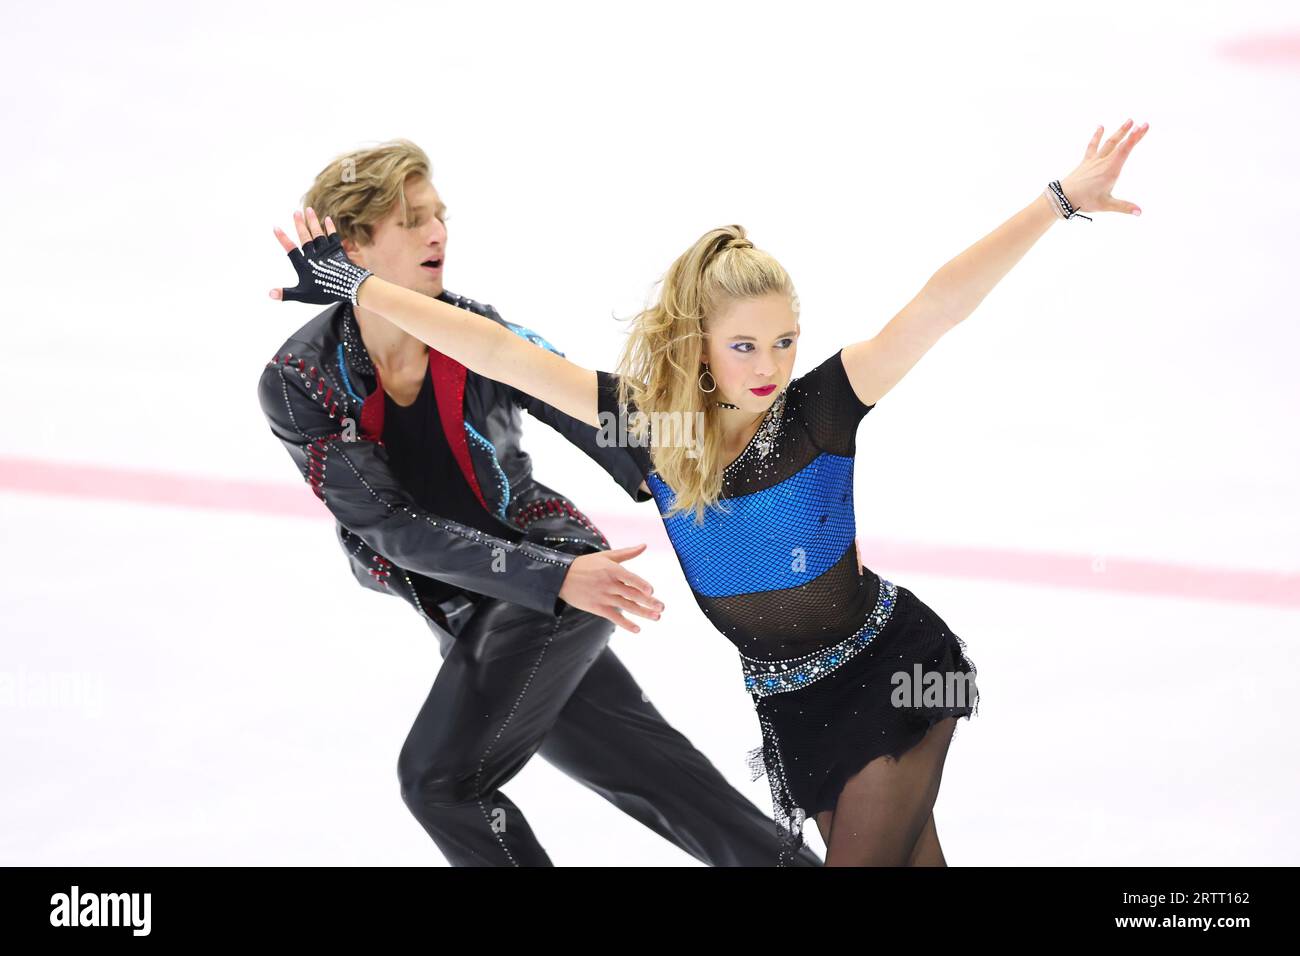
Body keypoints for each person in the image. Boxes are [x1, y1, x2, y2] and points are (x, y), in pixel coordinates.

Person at [269, 121, 1148, 864]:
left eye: (785, 341)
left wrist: (1057, 202)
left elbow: (938, 305)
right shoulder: (662, 435)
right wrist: (361, 291)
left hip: (895, 672)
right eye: (744, 347)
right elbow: (499, 355)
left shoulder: (818, 412)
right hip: (792, 702)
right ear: (696, 342)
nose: (770, 368)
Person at [257, 139, 824, 866]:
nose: (439, 234)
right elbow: (387, 524)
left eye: (441, 216)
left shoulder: (474, 333)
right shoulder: (302, 378)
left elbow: (592, 407)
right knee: (667, 783)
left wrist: (719, 473)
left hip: (551, 584)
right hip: (513, 597)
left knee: (439, 784)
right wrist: (552, 580)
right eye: (413, 221)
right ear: (354, 246)